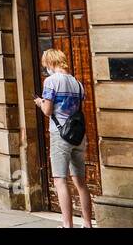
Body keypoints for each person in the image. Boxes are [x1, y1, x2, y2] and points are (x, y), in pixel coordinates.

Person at [34, 48, 93, 228]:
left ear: (51, 63)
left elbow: (47, 110)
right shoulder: (78, 83)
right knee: (80, 181)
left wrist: (40, 102)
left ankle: (67, 225)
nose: (46, 69)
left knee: (60, 180)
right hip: (77, 136)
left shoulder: (51, 82)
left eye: (46, 65)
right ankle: (88, 224)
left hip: (60, 135)